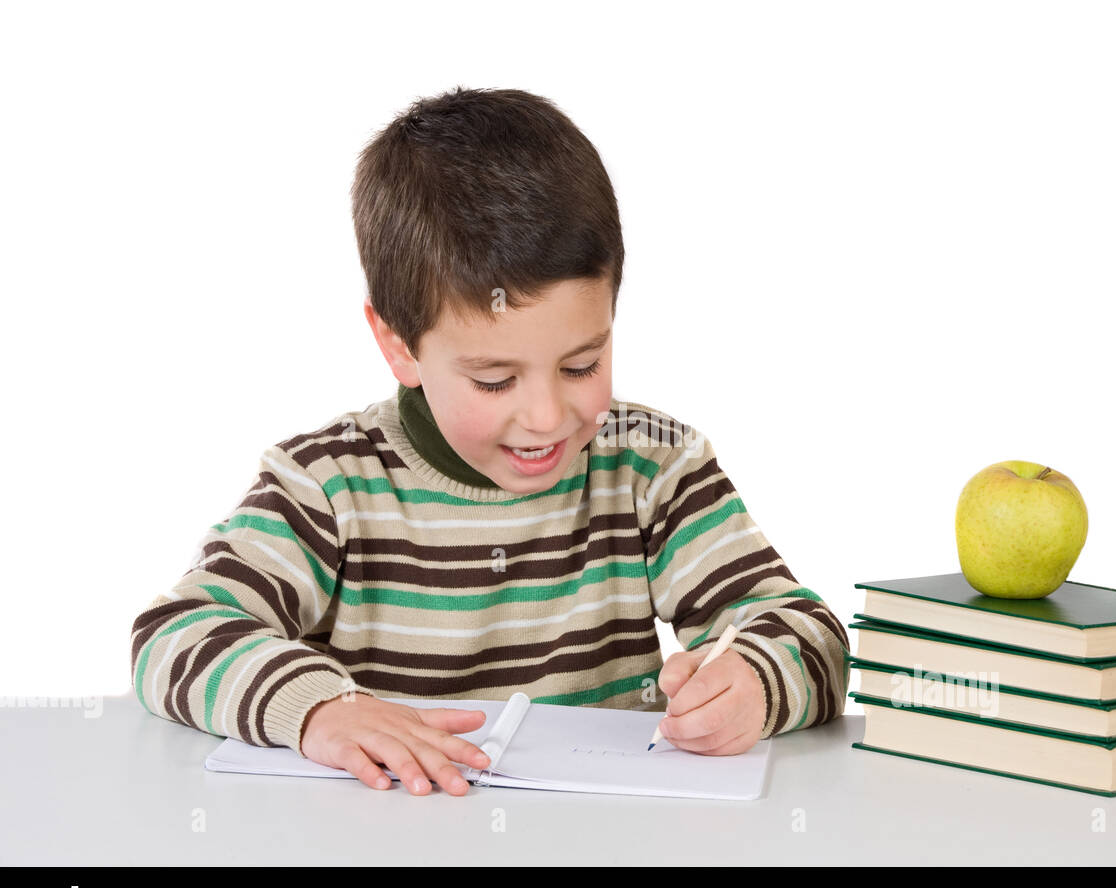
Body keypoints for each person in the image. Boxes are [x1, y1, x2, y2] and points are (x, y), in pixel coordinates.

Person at [130, 87, 850, 797]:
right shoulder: (328, 486)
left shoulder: (651, 464)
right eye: (495, 379)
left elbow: (809, 633)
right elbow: (177, 635)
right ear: (398, 345)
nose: (546, 417)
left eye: (582, 365)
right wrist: (321, 710)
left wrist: (755, 679)